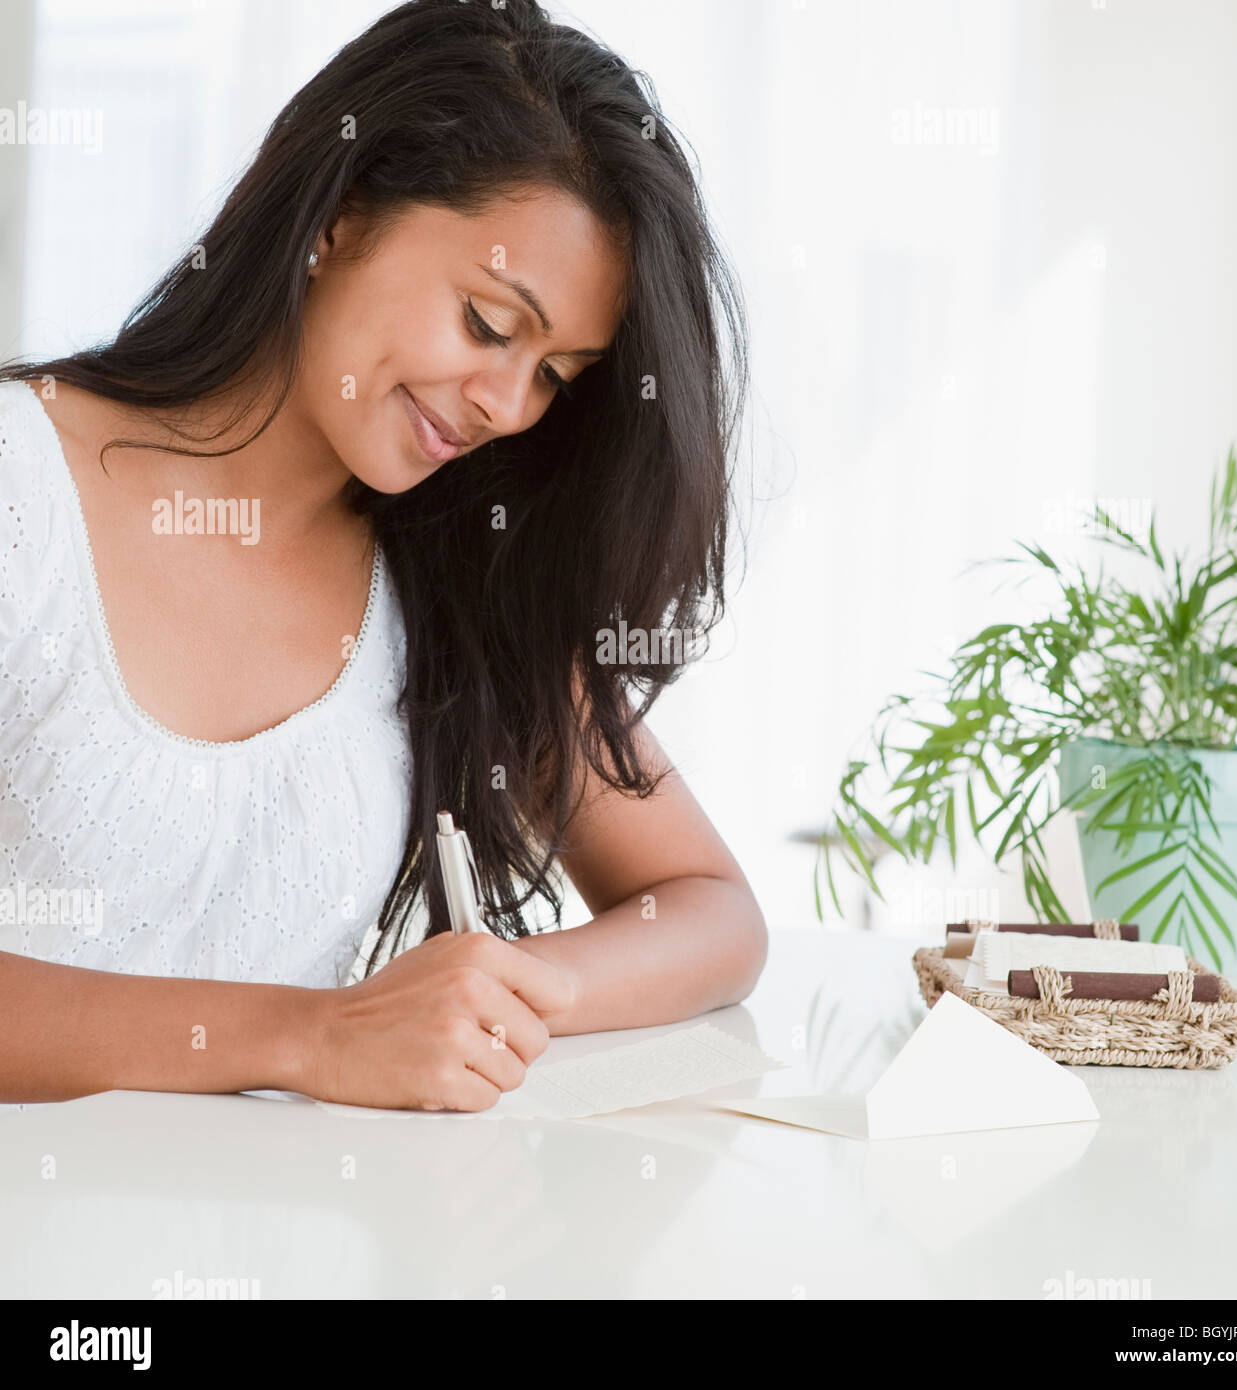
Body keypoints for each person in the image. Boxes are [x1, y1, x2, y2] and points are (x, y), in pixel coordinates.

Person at [0, 0, 766, 1111]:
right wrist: (312, 1035)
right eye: (490, 324)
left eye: (555, 375)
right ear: (343, 215)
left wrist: (492, 988)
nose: (507, 403)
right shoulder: (24, 487)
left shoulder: (452, 572)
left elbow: (709, 908)